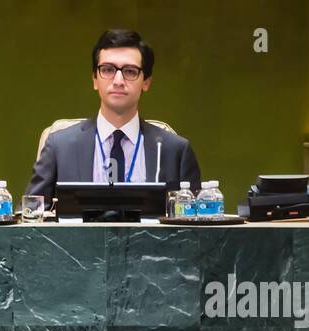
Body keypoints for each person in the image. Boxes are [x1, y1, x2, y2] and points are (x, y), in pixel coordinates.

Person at [28, 29, 200, 202]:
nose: (118, 81)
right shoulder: (59, 146)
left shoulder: (176, 151)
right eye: (108, 70)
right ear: (95, 79)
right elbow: (30, 215)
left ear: (146, 82)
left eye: (130, 71)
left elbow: (194, 224)